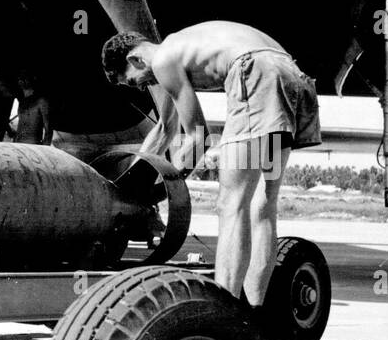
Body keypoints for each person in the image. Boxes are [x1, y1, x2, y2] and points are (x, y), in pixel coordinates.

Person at [101, 22, 320, 310]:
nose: (140, 87)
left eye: (132, 80)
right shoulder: (174, 51)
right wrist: (138, 174)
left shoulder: (164, 60)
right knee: (262, 204)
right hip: (288, 73)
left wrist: (168, 183)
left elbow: (199, 138)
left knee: (231, 204)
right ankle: (253, 313)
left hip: (255, 73)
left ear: (135, 59)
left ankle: (224, 313)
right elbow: (167, 129)